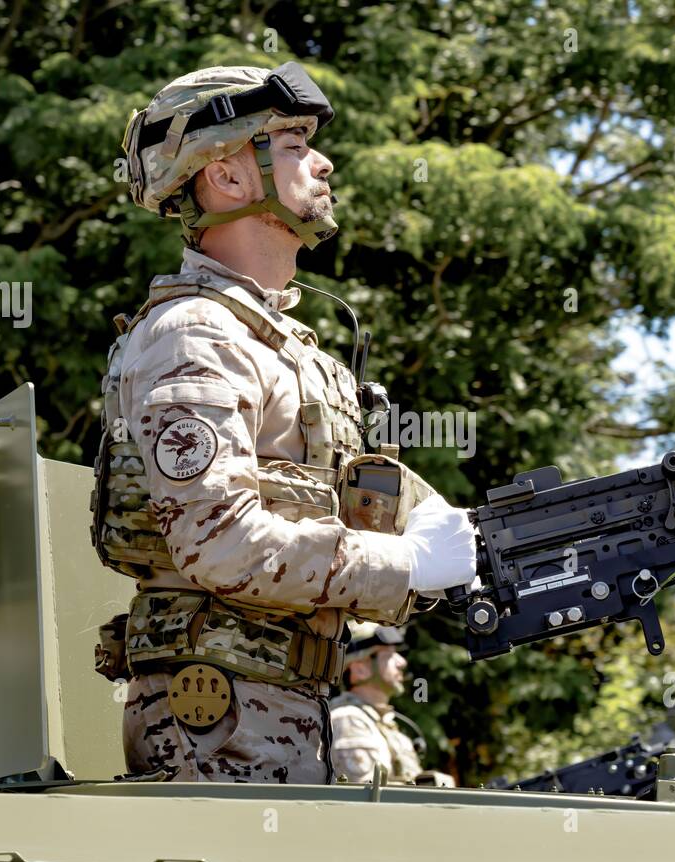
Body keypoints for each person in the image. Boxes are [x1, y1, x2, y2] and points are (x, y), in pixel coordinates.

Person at [90, 61, 475, 785]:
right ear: (228, 177)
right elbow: (220, 542)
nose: (324, 161)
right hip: (218, 724)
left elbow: (347, 516)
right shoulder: (196, 335)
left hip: (278, 710)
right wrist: (406, 565)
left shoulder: (284, 348)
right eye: (295, 143)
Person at [330, 622, 455, 786]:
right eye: (388, 655)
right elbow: (365, 798)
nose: (402, 662)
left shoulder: (385, 726)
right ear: (360, 670)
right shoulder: (348, 721)